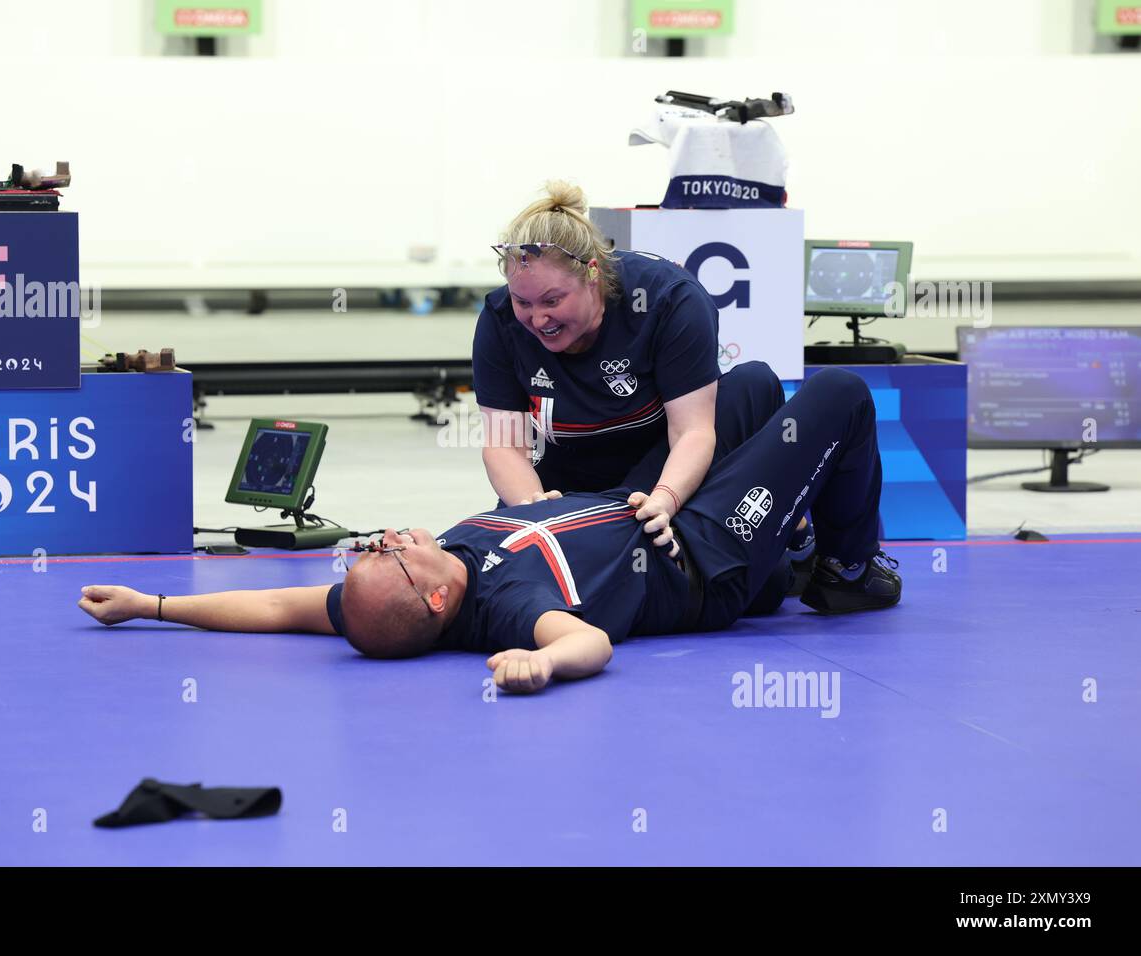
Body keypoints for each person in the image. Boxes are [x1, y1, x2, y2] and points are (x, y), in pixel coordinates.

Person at [78, 368, 898, 695]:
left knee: (748, 387)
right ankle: (847, 572)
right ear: (436, 599)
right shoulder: (504, 605)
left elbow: (279, 607)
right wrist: (540, 664)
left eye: (377, 548)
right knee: (837, 397)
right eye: (395, 557)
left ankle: (790, 556)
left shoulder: (436, 575)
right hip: (704, 558)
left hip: (651, 501)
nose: (389, 539)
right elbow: (590, 647)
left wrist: (151, 603)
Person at [476, 180, 738, 557]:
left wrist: (664, 500)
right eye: (523, 301)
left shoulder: (670, 300)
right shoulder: (500, 320)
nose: (538, 318)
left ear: (593, 274)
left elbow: (692, 431)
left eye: (552, 300)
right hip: (561, 482)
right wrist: (534, 509)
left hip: (655, 469)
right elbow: (504, 444)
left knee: (753, 385)